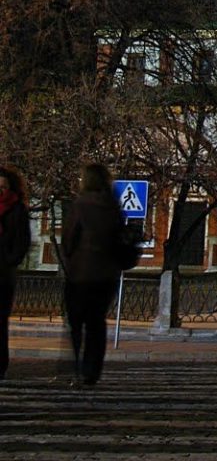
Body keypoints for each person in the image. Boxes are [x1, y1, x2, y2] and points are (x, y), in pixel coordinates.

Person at [60, 163, 122, 387]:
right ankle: (92, 371)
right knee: (97, 323)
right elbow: (119, 241)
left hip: (79, 275)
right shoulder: (113, 206)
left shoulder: (79, 205)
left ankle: (75, 366)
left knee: (76, 322)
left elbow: (68, 240)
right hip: (106, 276)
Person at [0, 165, 33, 381]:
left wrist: (10, 260)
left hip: (2, 275)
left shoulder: (17, 209)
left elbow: (22, 241)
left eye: (3, 187)